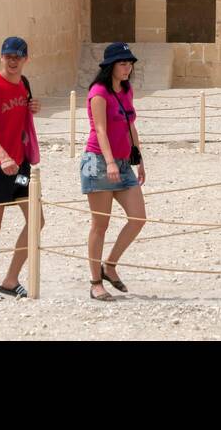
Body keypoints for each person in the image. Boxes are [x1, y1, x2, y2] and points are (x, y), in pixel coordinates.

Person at [0, 36, 42, 301]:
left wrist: (33, 107)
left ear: (25, 59)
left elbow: (20, 114)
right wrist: (2, 157)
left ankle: (11, 280)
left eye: (18, 57)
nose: (13, 61)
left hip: (20, 168)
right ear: (1, 57)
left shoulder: (23, 84)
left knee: (37, 219)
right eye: (8, 56)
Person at [82, 42, 147, 301]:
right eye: (123, 63)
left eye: (129, 63)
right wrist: (109, 162)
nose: (127, 67)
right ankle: (95, 281)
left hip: (122, 162)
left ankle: (110, 264)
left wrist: (139, 158)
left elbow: (131, 125)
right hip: (97, 161)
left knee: (138, 217)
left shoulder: (126, 90)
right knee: (101, 224)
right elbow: (100, 129)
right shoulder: (98, 92)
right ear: (110, 66)